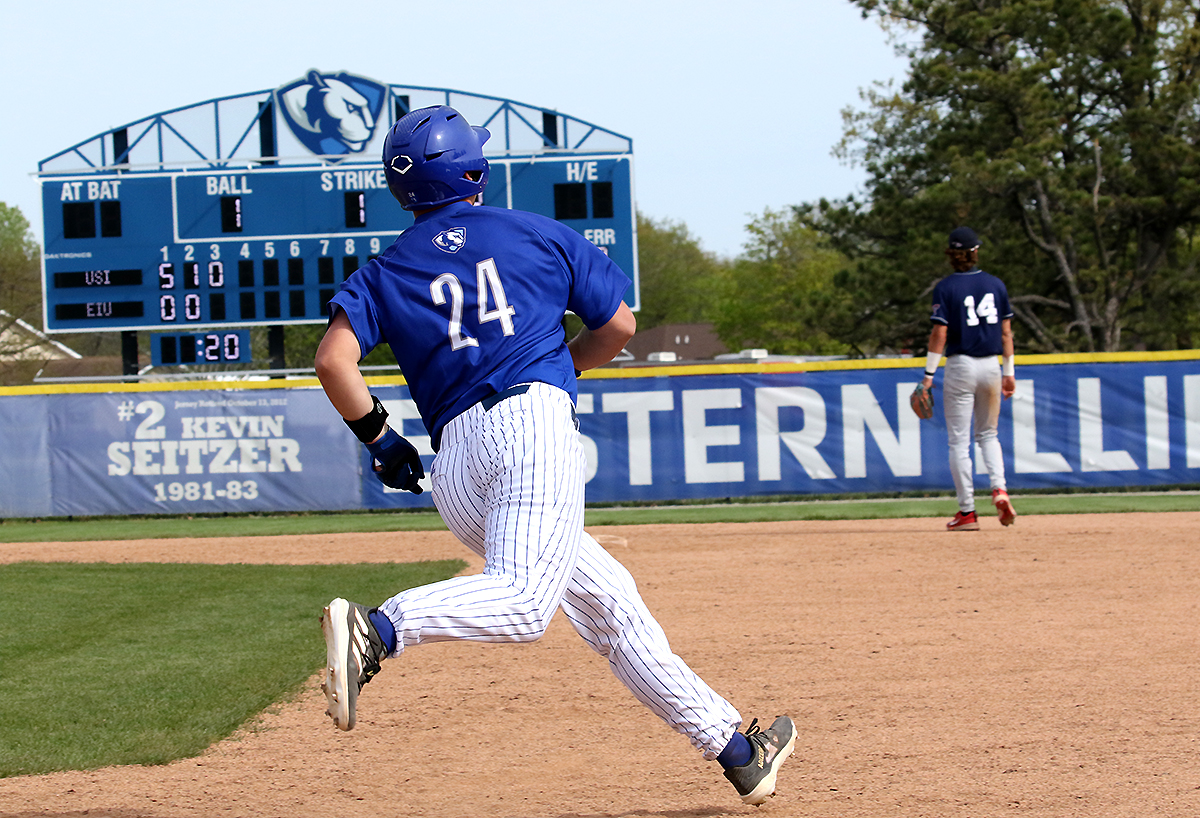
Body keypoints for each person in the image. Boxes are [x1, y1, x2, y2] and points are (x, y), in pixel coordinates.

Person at [313, 105, 795, 805]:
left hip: (456, 466)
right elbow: (619, 325)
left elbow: (334, 362)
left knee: (612, 607)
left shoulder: (386, 269)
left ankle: (736, 749)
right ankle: (380, 629)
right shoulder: (532, 231)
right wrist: (558, 370)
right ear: (475, 170)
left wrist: (383, 441)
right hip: (529, 426)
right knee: (525, 603)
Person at [920, 226, 1018, 531]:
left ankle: (967, 513)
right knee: (988, 435)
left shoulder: (945, 287)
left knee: (959, 442)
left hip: (961, 365)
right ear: (975, 252)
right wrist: (1009, 373)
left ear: (951, 254)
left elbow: (940, 333)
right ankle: (999, 489)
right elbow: (1006, 333)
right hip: (991, 365)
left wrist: (928, 376)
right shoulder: (995, 284)